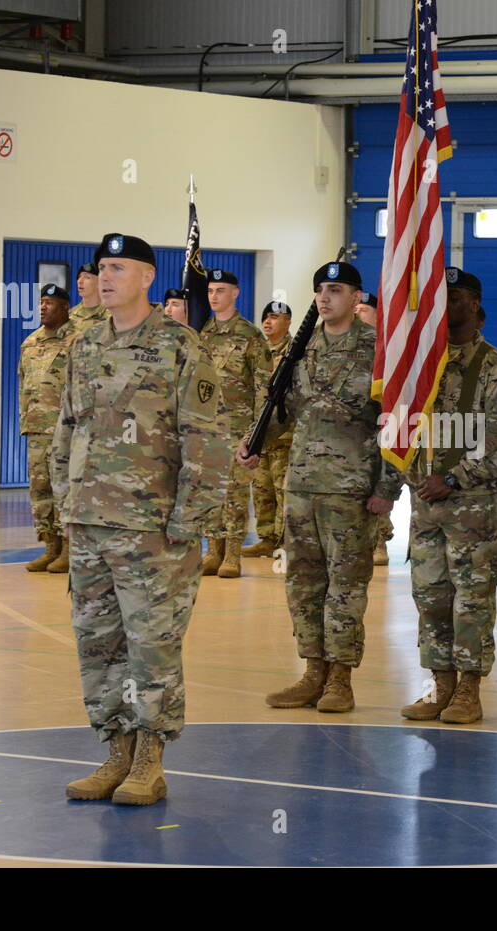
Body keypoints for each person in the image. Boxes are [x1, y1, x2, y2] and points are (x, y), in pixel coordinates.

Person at [51, 233, 230, 805]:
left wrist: (189, 519)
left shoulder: (180, 345)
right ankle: (116, 752)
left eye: (119, 268)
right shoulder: (83, 345)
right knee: (98, 644)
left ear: (147, 278)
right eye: (103, 267)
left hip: (154, 528)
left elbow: (208, 437)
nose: (106, 277)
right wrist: (65, 504)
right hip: (89, 522)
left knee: (150, 646)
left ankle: (150, 759)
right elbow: (67, 428)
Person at [236, 261, 400, 712]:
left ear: (356, 297)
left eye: (336, 289)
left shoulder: (377, 351)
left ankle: (341, 680)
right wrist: (254, 441)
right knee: (303, 584)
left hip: (351, 489)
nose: (325, 298)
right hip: (301, 485)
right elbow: (282, 409)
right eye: (320, 291)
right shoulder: (300, 351)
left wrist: (388, 488)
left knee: (345, 587)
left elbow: (397, 424)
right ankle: (312, 673)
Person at [398, 269, 497, 725]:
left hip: (472, 506)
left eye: (453, 297)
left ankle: (469, 688)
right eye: (437, 298)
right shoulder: (421, 367)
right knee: (429, 595)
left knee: (471, 599)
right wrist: (415, 475)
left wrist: (451, 478)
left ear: (474, 303)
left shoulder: (496, 367)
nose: (442, 306)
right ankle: (440, 684)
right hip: (424, 504)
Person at [199, 269, 270, 578]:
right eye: (211, 290)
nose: (214, 295)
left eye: (221, 290)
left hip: (238, 428)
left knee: (235, 495)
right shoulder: (204, 333)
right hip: (209, 428)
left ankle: (232, 555)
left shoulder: (250, 335)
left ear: (235, 293)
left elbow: (262, 386)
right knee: (210, 493)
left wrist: (255, 433)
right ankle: (212, 551)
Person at [18, 283, 78, 573]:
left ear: (65, 307)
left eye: (50, 303)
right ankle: (49, 547)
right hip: (36, 429)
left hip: (66, 430)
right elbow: (23, 385)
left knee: (64, 489)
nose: (43, 307)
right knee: (40, 490)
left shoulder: (78, 341)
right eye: (41, 302)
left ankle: (68, 548)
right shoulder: (30, 343)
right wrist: (26, 419)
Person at [244, 300, 294, 558]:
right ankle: (267, 538)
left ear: (288, 322)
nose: (267, 321)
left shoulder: (296, 352)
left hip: (285, 435)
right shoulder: (258, 351)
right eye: (265, 316)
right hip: (260, 432)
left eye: (275, 317)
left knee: (283, 488)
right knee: (262, 488)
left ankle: (286, 540)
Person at [354, 289, 394, 565]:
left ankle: (381, 541)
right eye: (355, 310)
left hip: (381, 429)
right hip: (354, 436)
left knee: (381, 481)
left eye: (364, 310)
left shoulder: (387, 350)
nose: (358, 314)